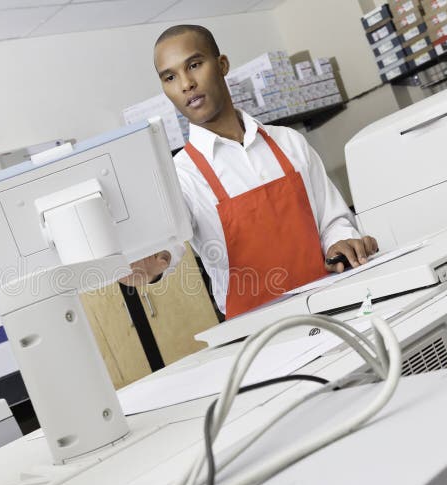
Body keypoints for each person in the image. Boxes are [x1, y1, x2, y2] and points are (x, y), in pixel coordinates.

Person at [121, 24, 378, 319]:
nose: (185, 84)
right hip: (259, 335)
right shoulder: (181, 176)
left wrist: (341, 241)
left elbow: (332, 220)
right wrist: (153, 264)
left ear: (222, 65)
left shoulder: (289, 142)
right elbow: (169, 245)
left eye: (194, 65)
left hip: (335, 306)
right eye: (170, 77)